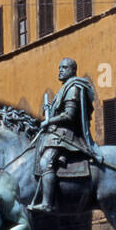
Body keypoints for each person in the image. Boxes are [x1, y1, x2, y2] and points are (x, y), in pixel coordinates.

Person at [30, 58, 98, 216]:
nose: (60, 70)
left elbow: (69, 115)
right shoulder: (64, 88)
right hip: (57, 132)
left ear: (73, 70)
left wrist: (48, 120)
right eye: (59, 67)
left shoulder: (73, 88)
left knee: (46, 161)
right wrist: (49, 111)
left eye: (64, 67)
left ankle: (47, 203)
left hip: (68, 134)